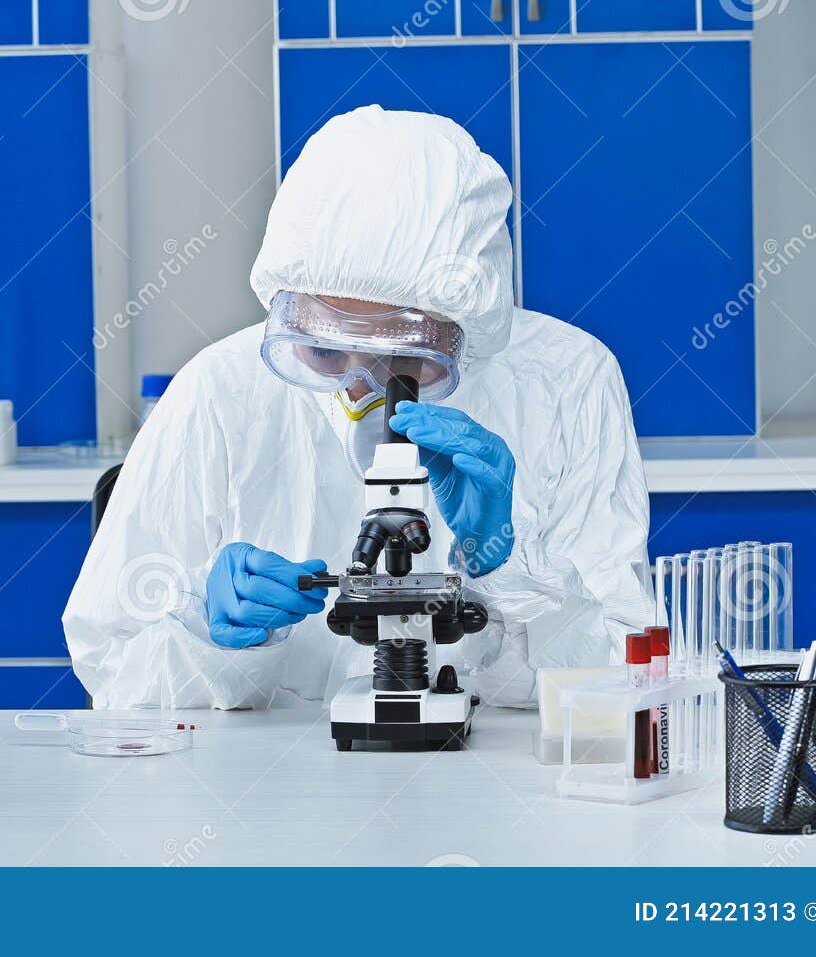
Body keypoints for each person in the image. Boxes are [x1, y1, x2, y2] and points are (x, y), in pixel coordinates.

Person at [63, 106, 651, 710]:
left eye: (399, 358)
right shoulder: (220, 388)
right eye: (323, 349)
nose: (358, 388)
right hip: (268, 769)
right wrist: (210, 633)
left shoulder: (566, 379)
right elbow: (113, 668)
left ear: (462, 332)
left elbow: (621, 672)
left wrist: (507, 566)